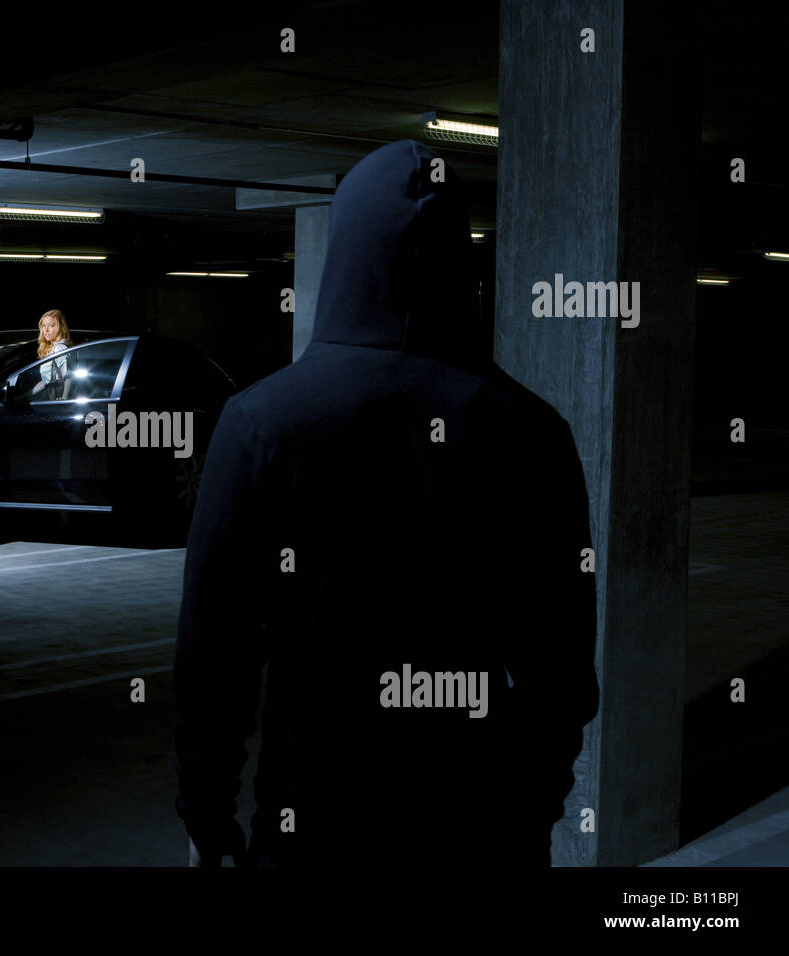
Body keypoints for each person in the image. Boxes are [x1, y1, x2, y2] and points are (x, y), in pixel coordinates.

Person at [173, 139, 600, 868]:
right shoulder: (534, 432)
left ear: (345, 249)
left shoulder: (260, 423)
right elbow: (559, 671)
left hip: (312, 821)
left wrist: (208, 818)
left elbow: (216, 659)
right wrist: (530, 810)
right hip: (477, 826)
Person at [31, 309, 73, 398]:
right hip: (49, 396)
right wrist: (27, 395)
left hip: (56, 400)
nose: (46, 330)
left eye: (52, 326)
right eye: (44, 325)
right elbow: (46, 380)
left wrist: (63, 402)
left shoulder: (60, 348)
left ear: (60, 327)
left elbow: (68, 378)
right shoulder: (53, 348)